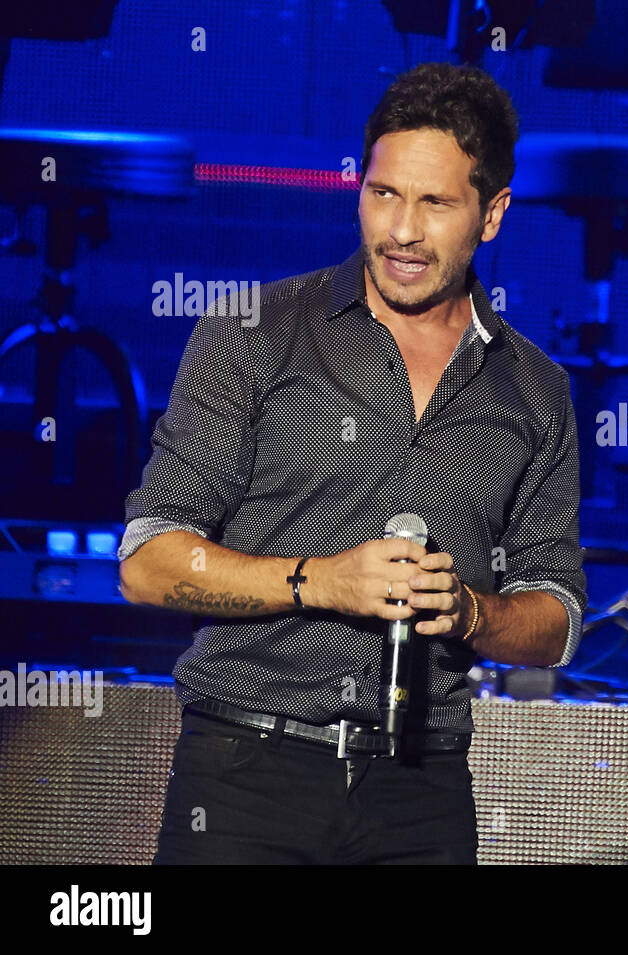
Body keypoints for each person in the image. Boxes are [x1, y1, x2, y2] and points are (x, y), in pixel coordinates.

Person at [118, 61, 586, 864]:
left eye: (435, 203)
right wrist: (320, 579)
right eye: (383, 193)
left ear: (493, 214)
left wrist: (475, 613)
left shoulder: (536, 390)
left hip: (422, 792)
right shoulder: (255, 334)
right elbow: (149, 563)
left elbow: (557, 618)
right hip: (246, 774)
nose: (400, 229)